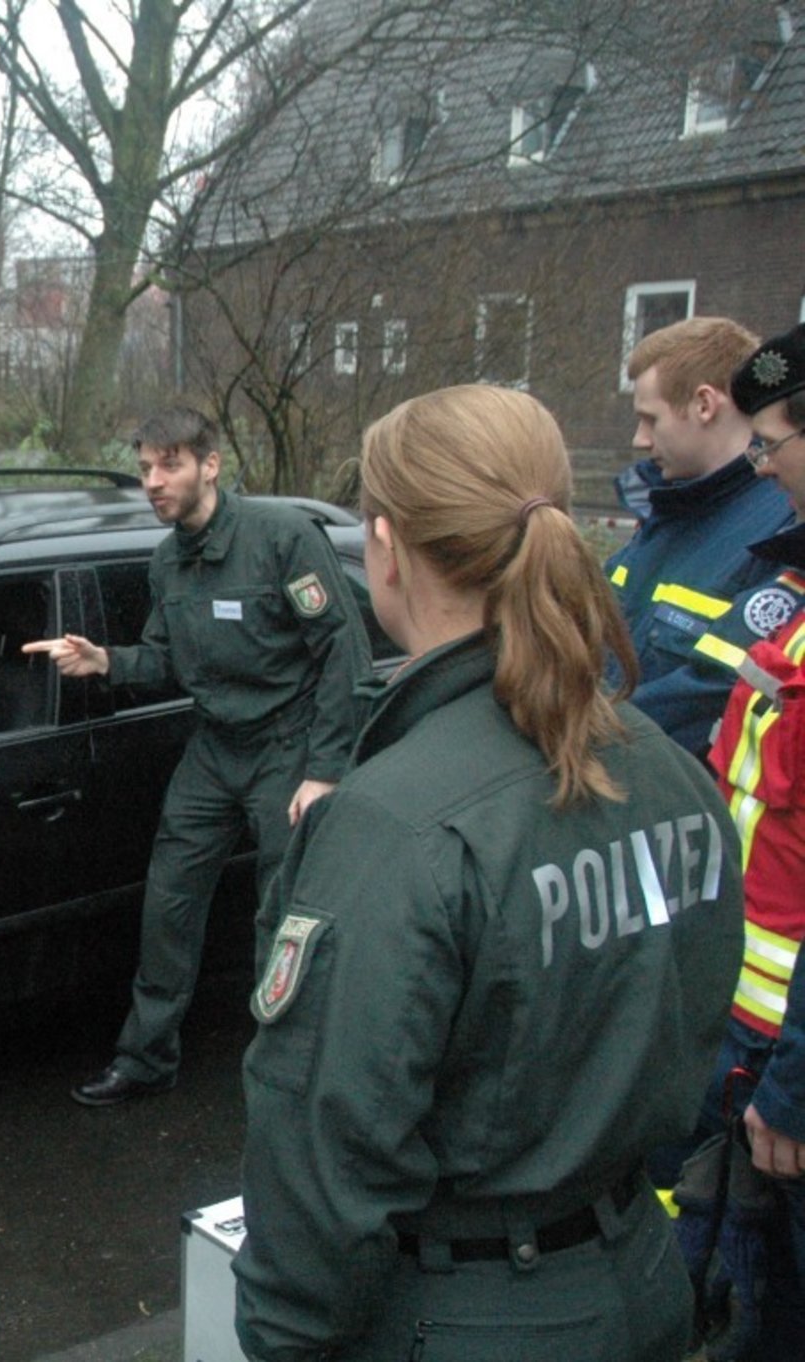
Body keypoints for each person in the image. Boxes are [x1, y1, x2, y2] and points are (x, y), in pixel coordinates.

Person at [234, 384, 743, 1362]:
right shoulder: (670, 772)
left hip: (464, 1312)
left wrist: (282, 1340)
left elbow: (325, 1156)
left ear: (383, 547)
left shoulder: (391, 825)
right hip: (639, 1275)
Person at [22, 405, 370, 1105]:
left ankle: (286, 1073)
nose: (153, 480)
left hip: (287, 746)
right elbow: (164, 660)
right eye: (145, 466)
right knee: (169, 904)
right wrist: (106, 660)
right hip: (215, 749)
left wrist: (325, 769)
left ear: (210, 465)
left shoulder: (280, 538)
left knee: (281, 918)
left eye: (170, 464)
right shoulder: (166, 561)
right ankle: (146, 1059)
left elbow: (343, 651)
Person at [677, 320, 805, 1360]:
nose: (762, 468)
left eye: (770, 442)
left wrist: (793, 1080)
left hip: (783, 1056)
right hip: (746, 1025)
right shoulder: (792, 583)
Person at [607, 317, 795, 757]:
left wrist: (576, 733)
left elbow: (710, 693)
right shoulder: (668, 512)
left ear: (704, 405)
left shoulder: (778, 529)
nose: (639, 439)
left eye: (649, 420)